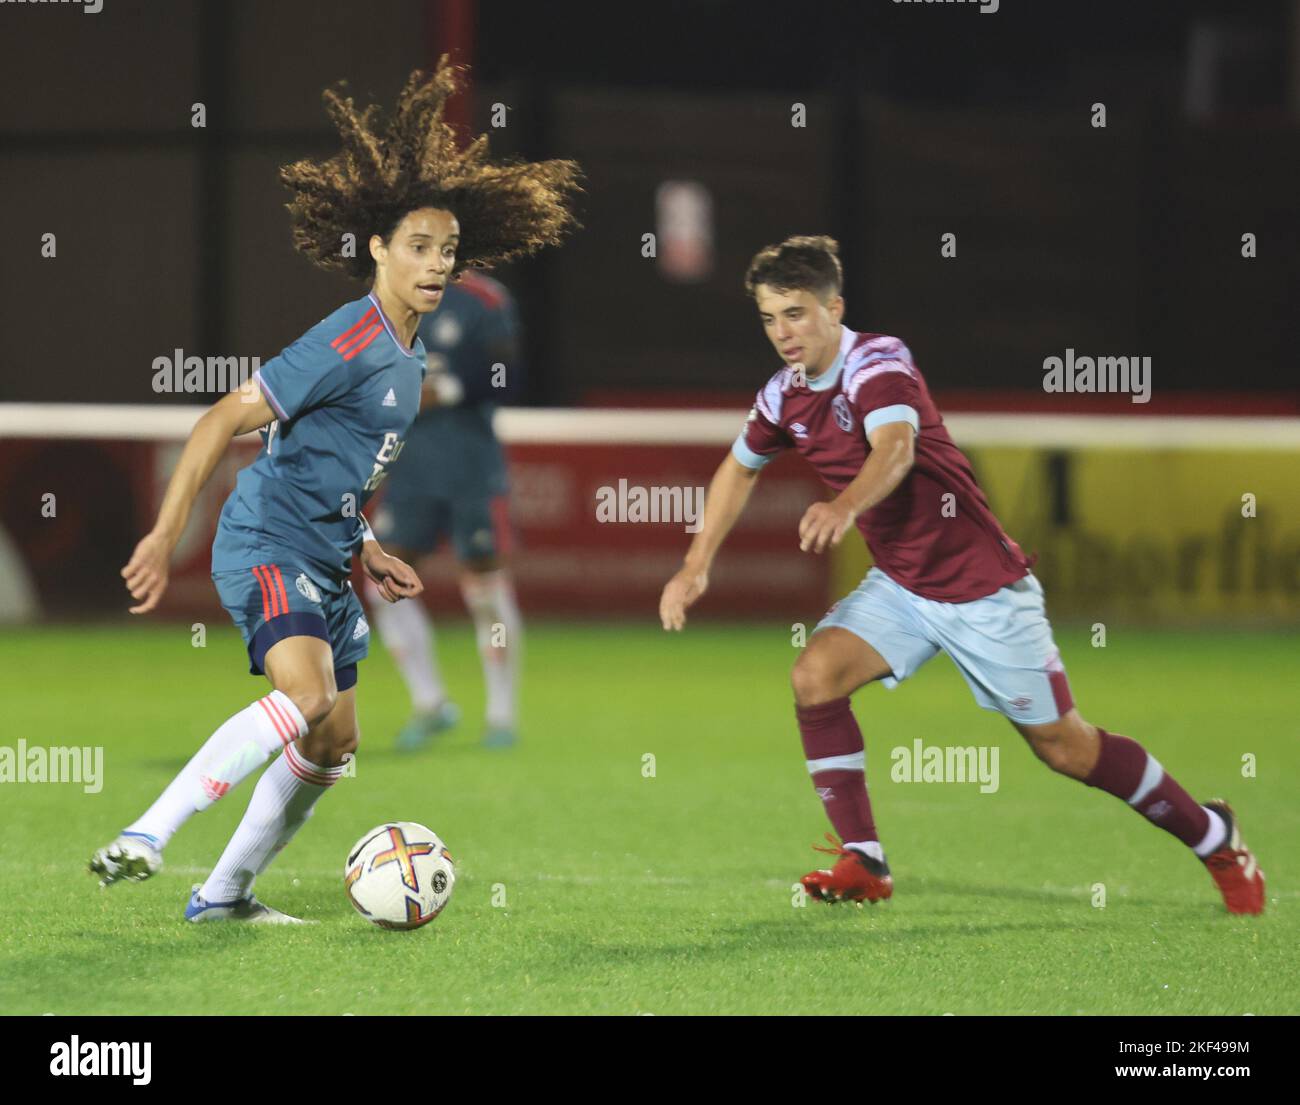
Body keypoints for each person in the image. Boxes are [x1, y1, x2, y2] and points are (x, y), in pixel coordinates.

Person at [89, 61, 579, 922]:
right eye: (419, 248)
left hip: (326, 553)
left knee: (335, 739)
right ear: (379, 250)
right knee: (308, 695)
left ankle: (226, 895)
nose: (436, 264)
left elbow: (335, 466)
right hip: (269, 542)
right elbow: (220, 419)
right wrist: (166, 534)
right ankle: (148, 832)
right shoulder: (349, 338)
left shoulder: (409, 349)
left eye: (448, 252)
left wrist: (370, 547)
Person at [659, 234, 1265, 915]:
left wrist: (844, 504)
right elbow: (739, 466)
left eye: (795, 313)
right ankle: (866, 860)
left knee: (1066, 747)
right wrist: (694, 563)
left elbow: (896, 448)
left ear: (835, 307)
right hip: (903, 586)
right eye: (769, 318)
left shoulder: (878, 363)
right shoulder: (783, 394)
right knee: (814, 676)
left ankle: (1215, 835)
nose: (782, 332)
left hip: (982, 587)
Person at [365, 270, 524, 751]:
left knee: (484, 591)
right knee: (384, 582)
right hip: (411, 466)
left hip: (471, 466)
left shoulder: (484, 299)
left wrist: (446, 391)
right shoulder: (388, 293)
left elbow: (508, 375)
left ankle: (501, 714)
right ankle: (430, 703)